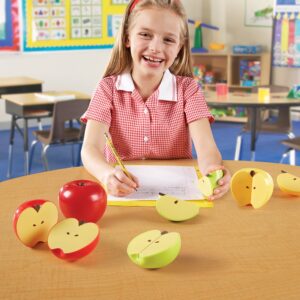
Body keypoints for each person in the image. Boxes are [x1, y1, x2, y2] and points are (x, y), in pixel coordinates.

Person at [81, 0, 231, 199]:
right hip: (124, 193)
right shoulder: (107, 89)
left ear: (179, 47)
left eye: (168, 40)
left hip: (177, 195)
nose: (155, 47)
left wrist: (213, 169)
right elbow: (90, 149)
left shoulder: (189, 90)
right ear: (127, 38)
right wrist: (106, 173)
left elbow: (207, 148)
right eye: (145, 34)